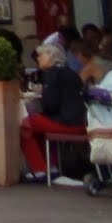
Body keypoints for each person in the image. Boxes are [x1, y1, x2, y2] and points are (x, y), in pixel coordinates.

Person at [20, 42, 87, 184]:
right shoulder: (70, 72)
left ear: (51, 57)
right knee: (37, 127)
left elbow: (50, 105)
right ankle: (52, 167)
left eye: (41, 55)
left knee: (26, 124)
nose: (38, 58)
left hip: (66, 123)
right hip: (81, 122)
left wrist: (43, 94)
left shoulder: (51, 74)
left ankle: (39, 169)